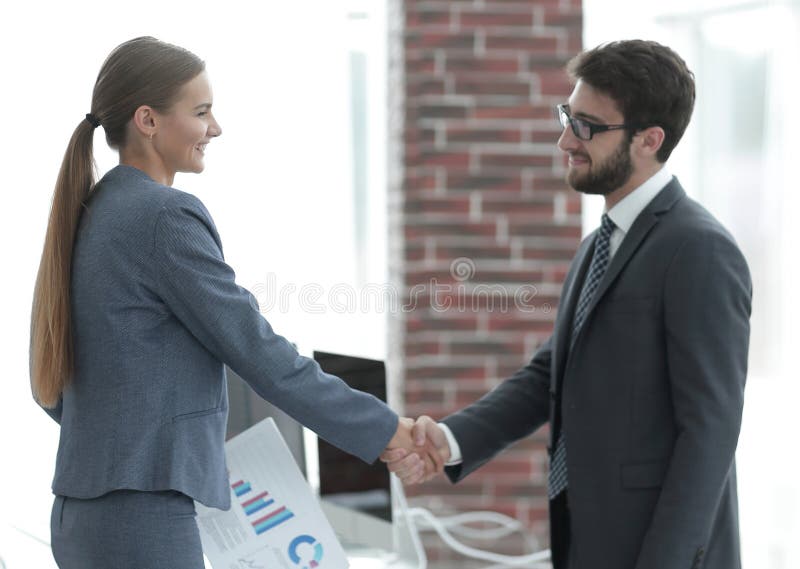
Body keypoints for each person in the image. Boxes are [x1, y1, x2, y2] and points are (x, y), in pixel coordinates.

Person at [29, 36, 440, 569]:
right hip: (143, 518)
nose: (215, 128)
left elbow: (55, 386)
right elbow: (259, 352)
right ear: (148, 120)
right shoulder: (163, 216)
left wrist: (140, 440)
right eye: (201, 112)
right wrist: (385, 430)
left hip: (82, 512)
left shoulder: (93, 211)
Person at [383, 39, 752, 569]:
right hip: (588, 538)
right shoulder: (599, 245)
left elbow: (710, 434)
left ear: (650, 140)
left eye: (587, 127)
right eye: (568, 117)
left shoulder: (699, 250)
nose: (565, 140)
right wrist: (448, 439)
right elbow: (550, 375)